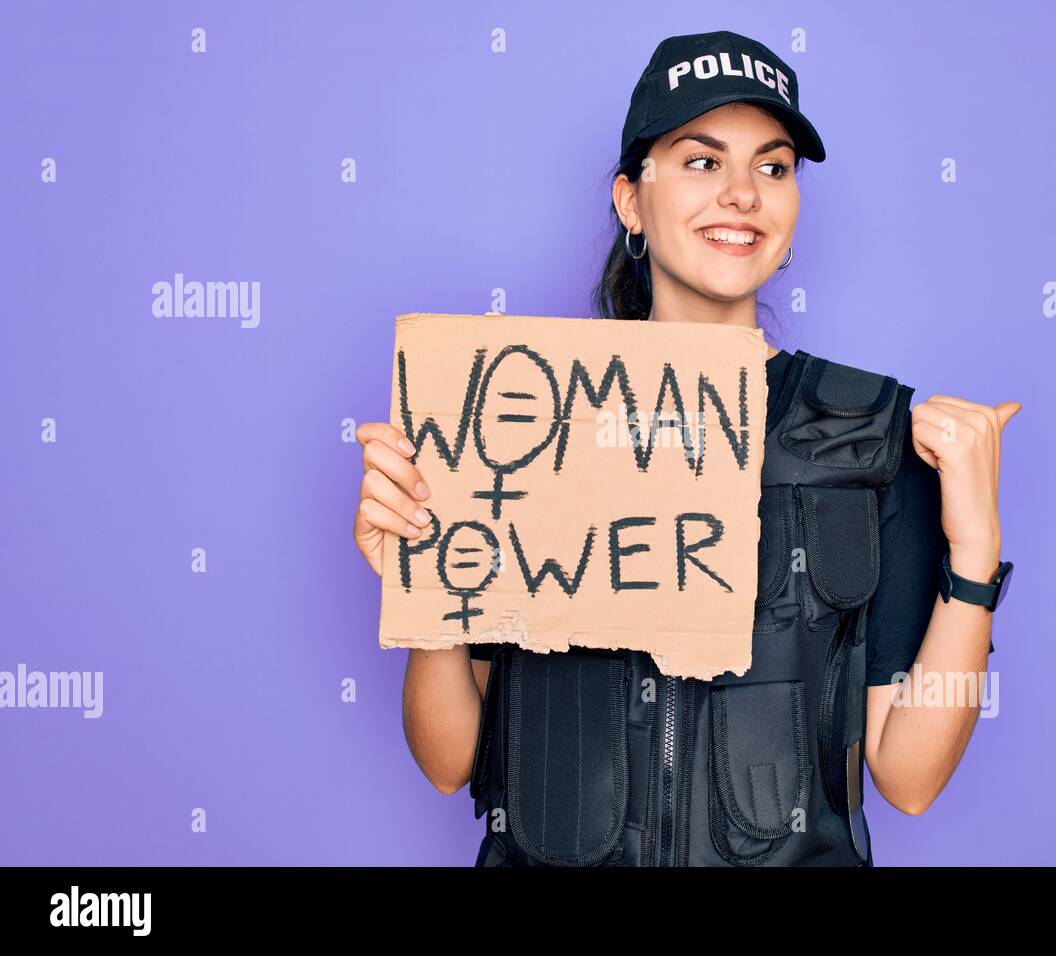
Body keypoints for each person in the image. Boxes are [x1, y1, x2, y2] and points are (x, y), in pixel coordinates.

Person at [352, 30, 1020, 866]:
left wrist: (977, 554)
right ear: (633, 200)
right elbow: (450, 761)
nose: (742, 193)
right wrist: (426, 591)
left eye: (773, 168)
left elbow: (911, 776)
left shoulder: (870, 432)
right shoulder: (515, 411)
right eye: (702, 161)